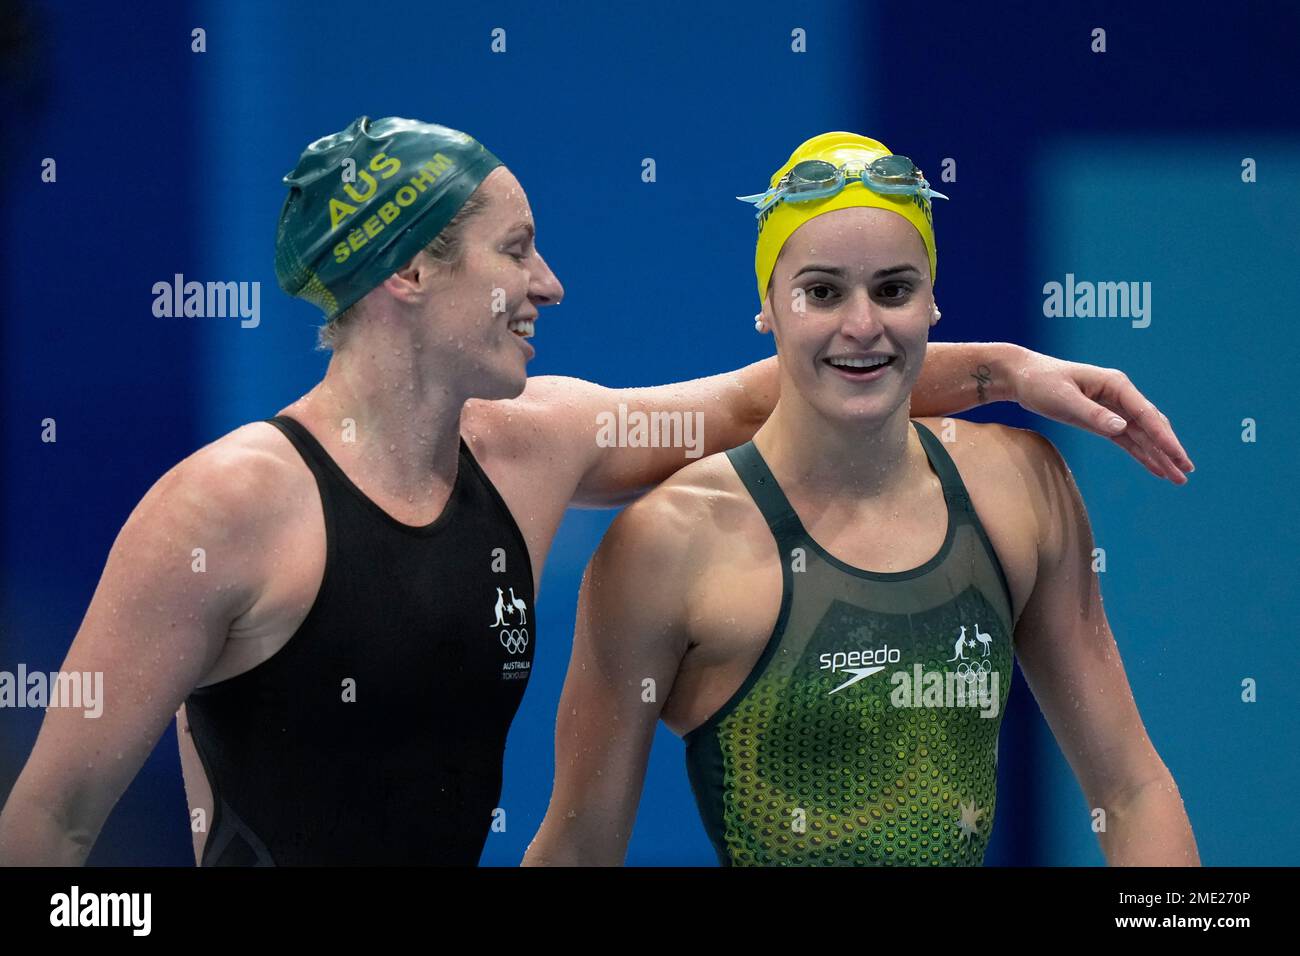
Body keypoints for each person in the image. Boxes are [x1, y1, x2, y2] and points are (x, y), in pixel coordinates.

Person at [0, 118, 1191, 866]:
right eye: (517, 250)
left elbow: (768, 392)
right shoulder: (221, 509)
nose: (551, 283)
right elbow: (46, 827)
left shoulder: (534, 445)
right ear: (410, 269)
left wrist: (1009, 371)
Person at [522, 132, 1198, 866]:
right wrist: (1002, 369)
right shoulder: (669, 543)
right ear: (767, 310)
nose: (863, 325)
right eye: (821, 292)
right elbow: (580, 846)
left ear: (933, 305)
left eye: (893, 289)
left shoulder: (1018, 486)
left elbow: (1130, 790)